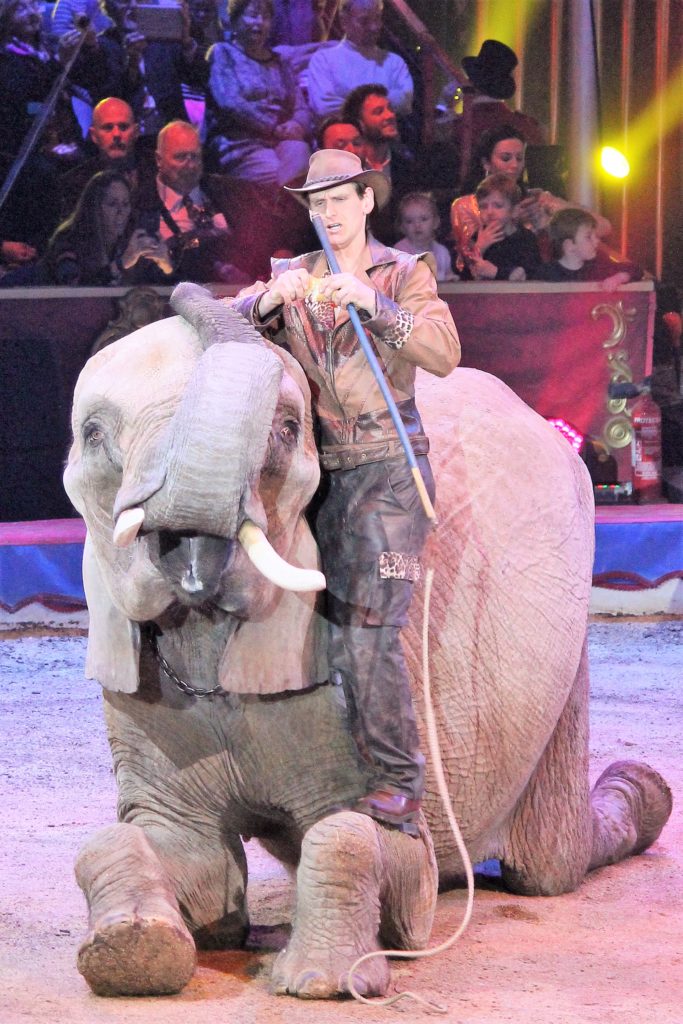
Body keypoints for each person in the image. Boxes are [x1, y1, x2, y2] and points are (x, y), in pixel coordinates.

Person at [231, 149, 460, 829]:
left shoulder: (402, 272)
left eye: (339, 199)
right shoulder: (291, 274)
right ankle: (345, 775)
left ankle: (398, 786)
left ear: (367, 201)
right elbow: (227, 322)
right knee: (325, 631)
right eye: (316, 203)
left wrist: (375, 304)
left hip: (391, 473)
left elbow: (444, 353)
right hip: (319, 476)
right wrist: (264, 301)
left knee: (368, 629)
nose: (327, 214)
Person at [451, 123, 611, 273]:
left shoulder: (535, 199)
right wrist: (512, 220)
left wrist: (547, 221)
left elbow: (603, 227)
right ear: (486, 163)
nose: (514, 165)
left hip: (535, 280)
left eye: (519, 158)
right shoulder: (465, 205)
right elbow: (464, 262)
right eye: (506, 158)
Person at [205, 0, 311, 188]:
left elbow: (300, 106)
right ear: (235, 20)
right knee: (277, 177)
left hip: (281, 140)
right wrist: (271, 127)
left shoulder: (280, 61)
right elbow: (230, 103)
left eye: (266, 17)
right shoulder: (223, 53)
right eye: (253, 15)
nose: (260, 22)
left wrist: (296, 124)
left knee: (304, 162)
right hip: (240, 144)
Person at [136, 119, 250, 283]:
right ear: (159, 160)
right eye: (180, 157)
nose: (190, 165)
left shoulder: (225, 190)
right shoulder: (141, 203)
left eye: (195, 157)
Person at [46, 168, 172, 284]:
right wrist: (121, 264)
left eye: (125, 204)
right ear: (94, 208)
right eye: (112, 204)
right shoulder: (67, 241)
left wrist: (166, 266)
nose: (121, 212)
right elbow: (72, 290)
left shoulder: (129, 241)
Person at [306, 0, 413, 123]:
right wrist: (381, 103)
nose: (374, 27)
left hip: (384, 139)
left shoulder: (395, 62)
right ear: (344, 22)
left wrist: (348, 99)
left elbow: (405, 101)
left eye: (377, 18)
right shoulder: (323, 60)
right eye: (364, 21)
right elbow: (324, 107)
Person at [533, 207, 643, 286]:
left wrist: (619, 278)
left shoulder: (598, 265)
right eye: (588, 237)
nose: (597, 241)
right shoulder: (546, 273)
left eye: (595, 235)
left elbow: (635, 269)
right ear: (569, 245)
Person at [394, 191, 456, 282]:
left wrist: (452, 279)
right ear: (402, 227)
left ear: (436, 222)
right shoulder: (400, 251)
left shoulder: (442, 252)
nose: (417, 225)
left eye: (423, 219)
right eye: (409, 221)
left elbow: (449, 278)